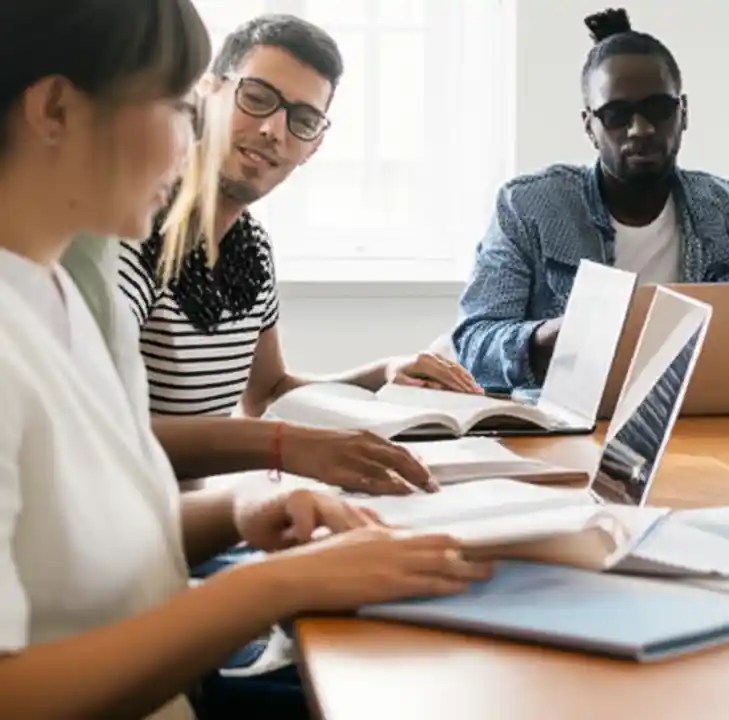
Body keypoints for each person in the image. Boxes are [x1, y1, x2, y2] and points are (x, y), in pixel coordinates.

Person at [0, 3, 489, 718]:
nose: (188, 142)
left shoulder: (63, 297)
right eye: (176, 107)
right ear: (55, 109)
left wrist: (243, 507)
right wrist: (278, 583)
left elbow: (101, 527)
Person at [116, 13, 482, 495]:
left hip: (185, 517)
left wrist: (385, 375)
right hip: (124, 523)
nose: (274, 130)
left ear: (315, 146)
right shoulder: (130, 228)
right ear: (208, 92)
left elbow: (268, 393)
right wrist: (282, 445)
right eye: (257, 98)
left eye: (303, 120)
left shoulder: (252, 248)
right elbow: (103, 435)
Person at [453, 8, 729, 393]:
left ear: (683, 114)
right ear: (589, 126)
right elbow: (473, 345)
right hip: (569, 418)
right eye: (616, 114)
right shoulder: (529, 207)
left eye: (658, 109)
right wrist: (556, 337)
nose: (640, 129)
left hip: (700, 412)